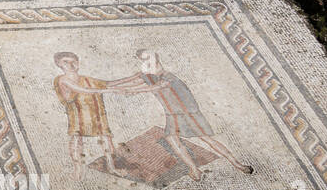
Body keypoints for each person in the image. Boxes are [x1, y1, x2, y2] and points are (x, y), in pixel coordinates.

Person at [101, 50, 253, 180]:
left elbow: (151, 87)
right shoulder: (148, 76)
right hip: (173, 114)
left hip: (187, 112)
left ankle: (237, 164)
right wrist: (106, 86)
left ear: (156, 59)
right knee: (172, 138)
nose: (146, 63)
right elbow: (132, 82)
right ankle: (194, 169)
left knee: (206, 139)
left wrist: (129, 90)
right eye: (143, 60)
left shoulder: (168, 77)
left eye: (147, 59)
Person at [52, 52, 120, 179]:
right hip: (78, 115)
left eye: (73, 61)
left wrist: (136, 80)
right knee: (77, 140)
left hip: (95, 112)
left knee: (106, 138)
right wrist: (112, 90)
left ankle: (112, 167)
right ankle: (78, 171)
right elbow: (82, 90)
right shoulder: (63, 79)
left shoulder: (87, 79)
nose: (71, 64)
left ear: (78, 63)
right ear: (59, 64)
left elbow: (109, 83)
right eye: (66, 62)